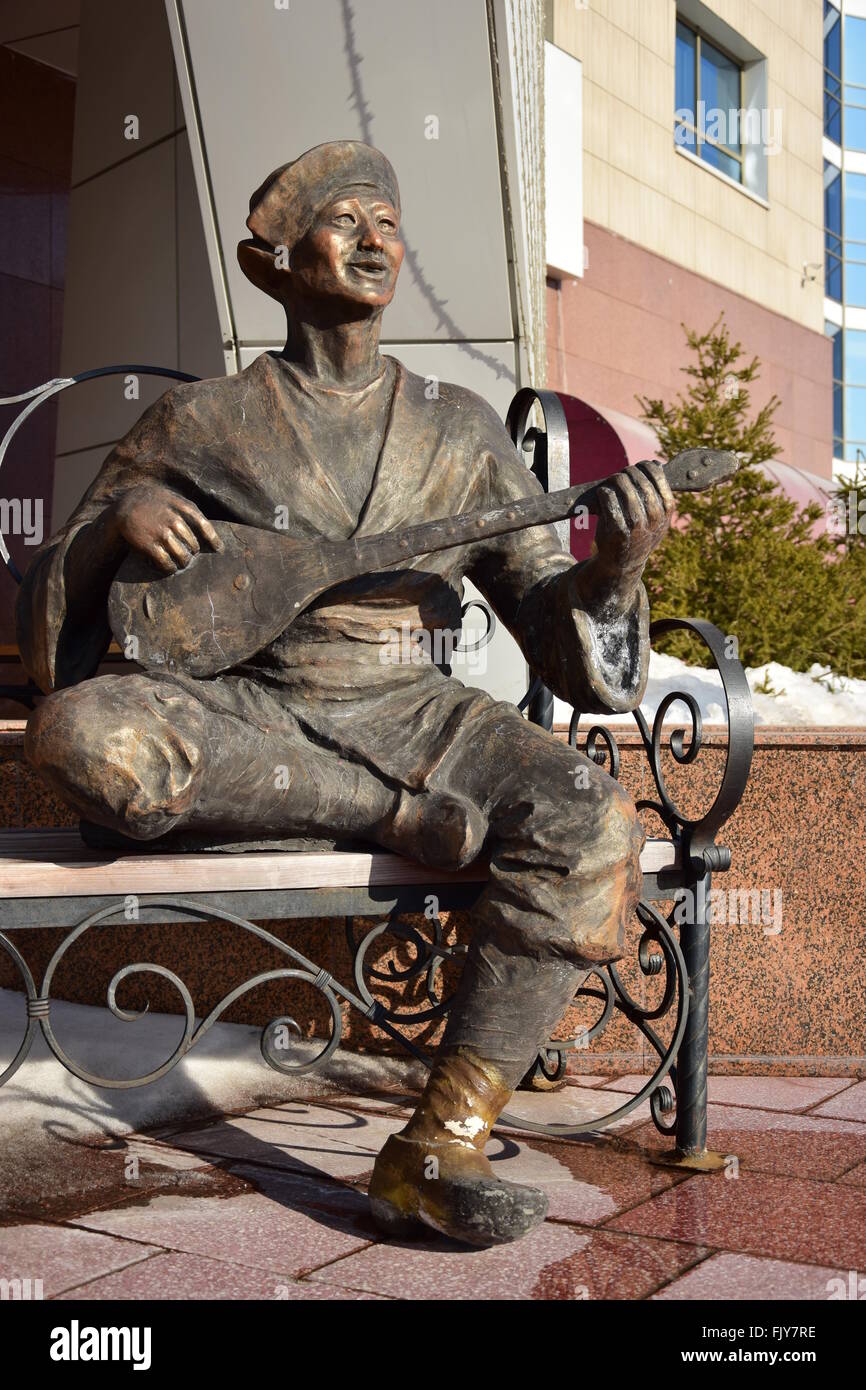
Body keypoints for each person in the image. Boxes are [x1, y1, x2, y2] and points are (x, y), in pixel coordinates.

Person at [18, 141, 674, 1246]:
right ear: (270, 263)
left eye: (387, 219)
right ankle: (387, 815)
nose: (375, 238)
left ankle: (437, 1142)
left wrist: (613, 573)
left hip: (418, 707)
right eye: (344, 218)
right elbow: (60, 602)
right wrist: (110, 534)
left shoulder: (456, 425)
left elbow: (558, 647)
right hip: (251, 701)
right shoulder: (203, 420)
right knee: (84, 735)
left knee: (587, 817)